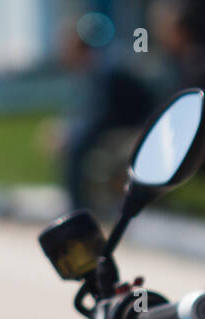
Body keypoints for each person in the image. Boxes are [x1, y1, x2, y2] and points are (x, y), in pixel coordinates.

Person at [59, 20, 154, 212]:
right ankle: (82, 205)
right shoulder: (94, 68)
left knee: (75, 147)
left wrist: (72, 134)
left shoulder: (104, 70)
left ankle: (77, 210)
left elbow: (102, 115)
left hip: (137, 128)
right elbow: (87, 111)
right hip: (122, 125)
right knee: (74, 142)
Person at [151, 0, 205, 176]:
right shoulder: (189, 61)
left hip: (203, 149)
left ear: (181, 30)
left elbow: (187, 118)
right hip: (191, 144)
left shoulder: (198, 64)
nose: (160, 36)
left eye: (164, 28)